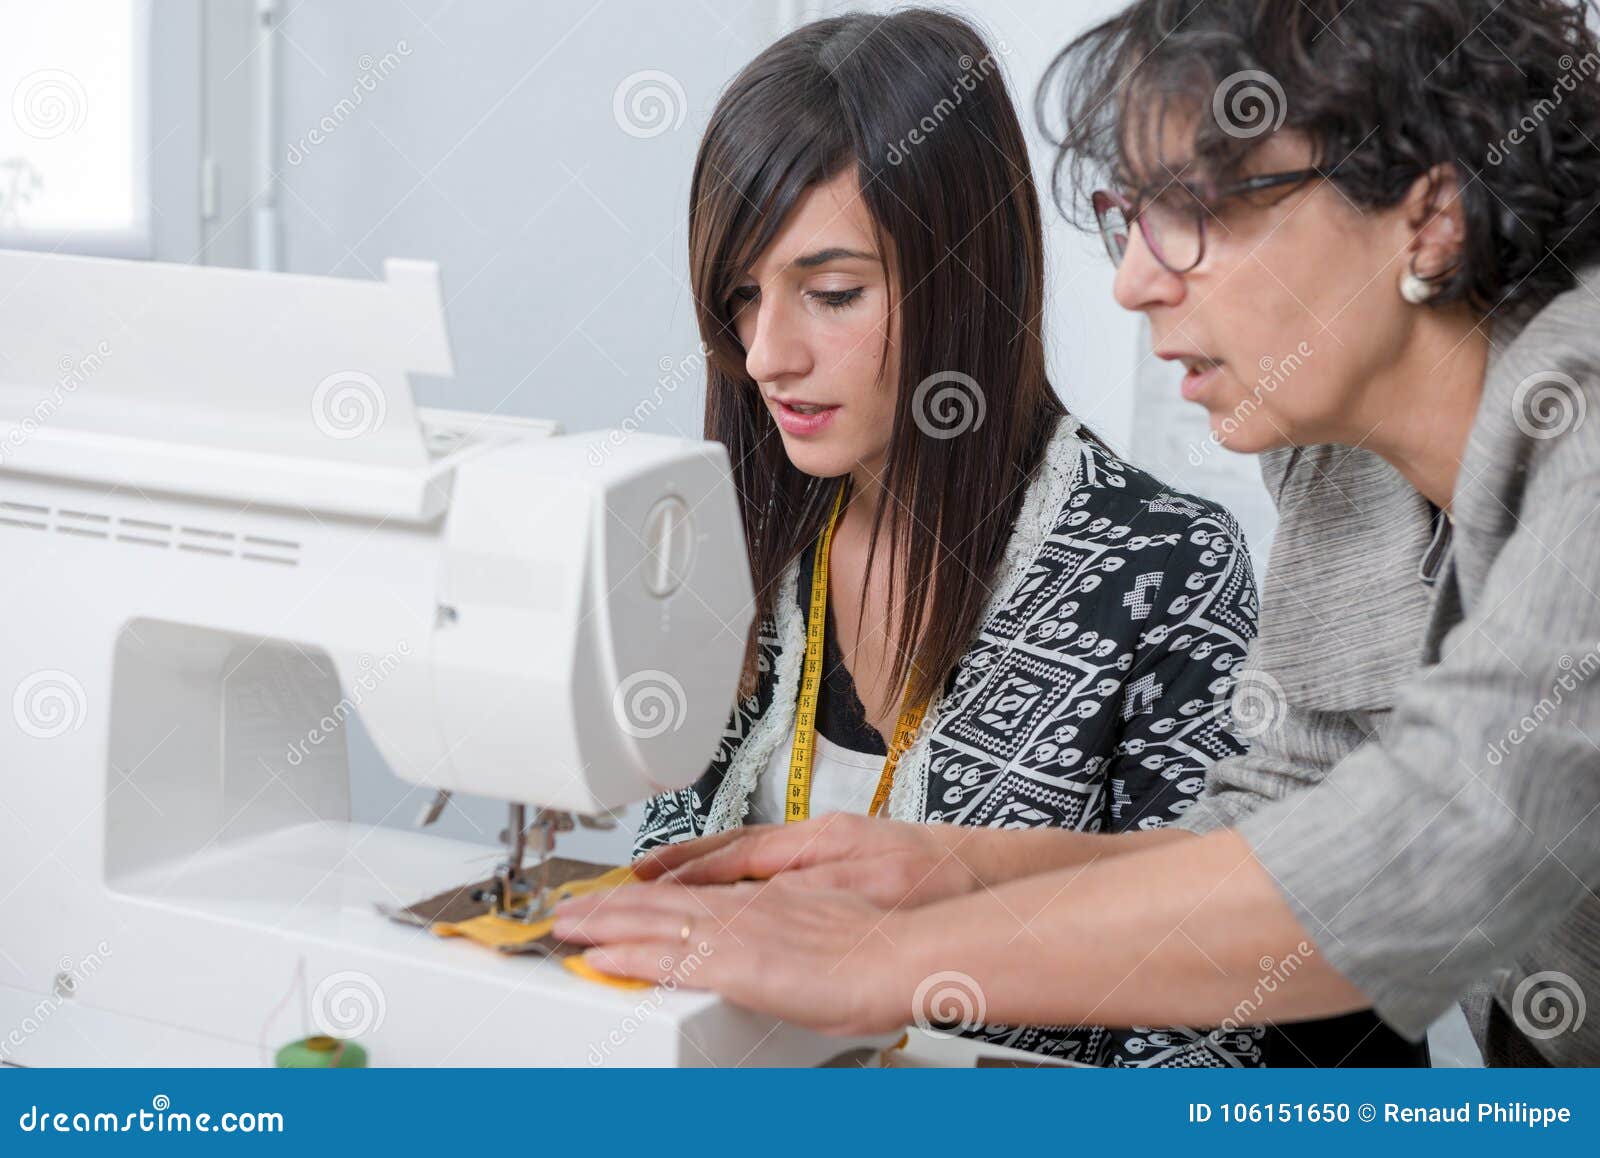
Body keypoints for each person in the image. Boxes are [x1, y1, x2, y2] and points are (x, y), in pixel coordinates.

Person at [556, 0, 1600, 1067]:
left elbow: (1450, 837)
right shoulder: (1337, 461)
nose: (1132, 280)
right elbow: (1286, 819)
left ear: (1428, 219)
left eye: (1198, 211)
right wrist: (955, 870)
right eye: (1131, 218)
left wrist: (878, 959)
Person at [629, 10, 1267, 1065]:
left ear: (965, 278)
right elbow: (667, 914)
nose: (764, 354)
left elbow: (1205, 1040)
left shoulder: (1164, 574)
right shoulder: (741, 546)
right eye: (740, 298)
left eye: (831, 293)